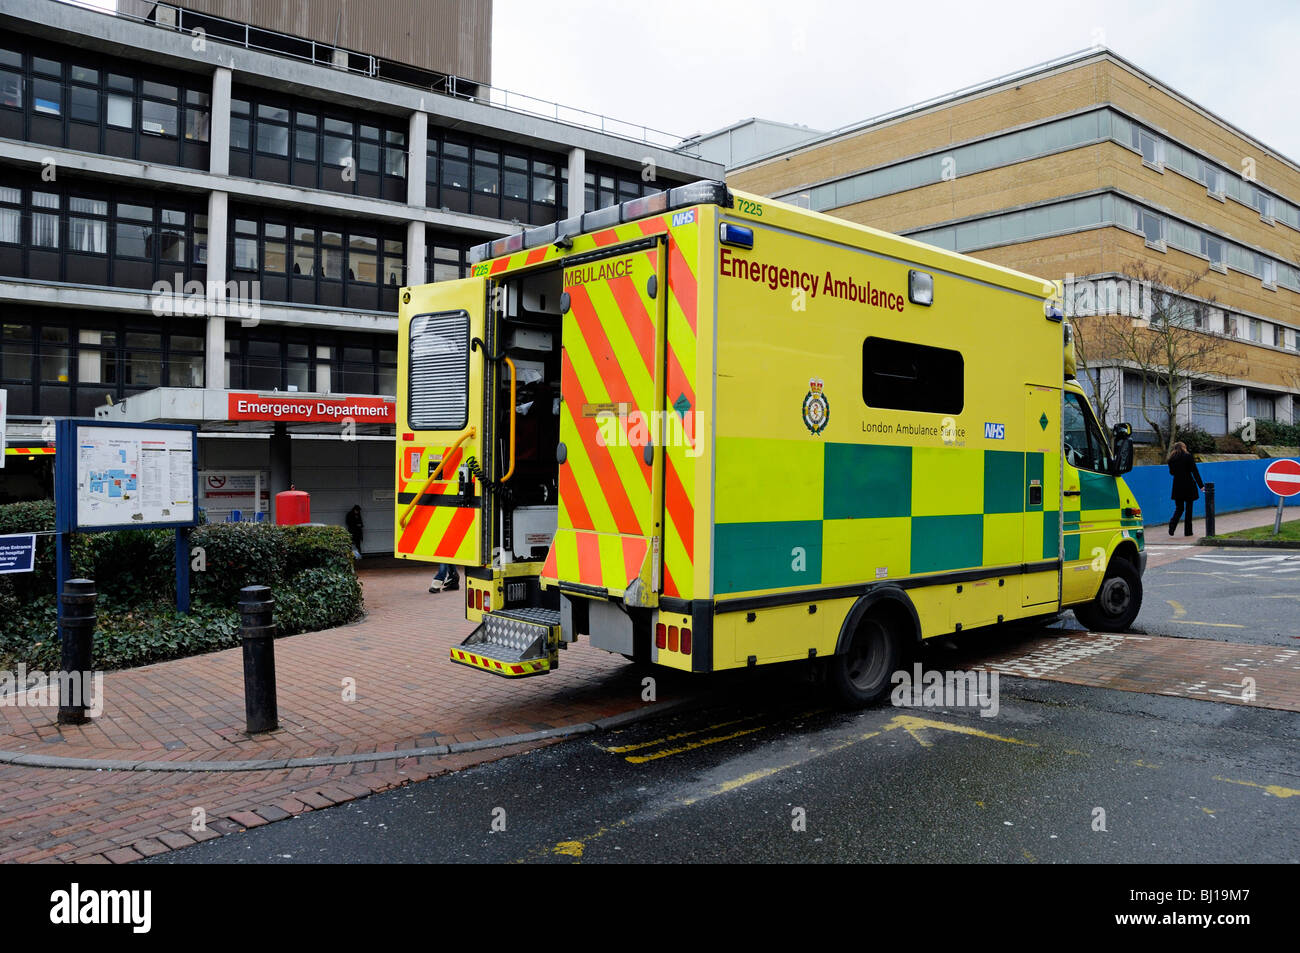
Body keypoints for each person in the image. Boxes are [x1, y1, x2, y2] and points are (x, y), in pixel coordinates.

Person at [1167, 441, 1204, 536]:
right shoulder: (1188, 457)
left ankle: (1172, 525)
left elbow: (1172, 473)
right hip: (1188, 485)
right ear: (1184, 447)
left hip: (1177, 486)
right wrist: (1201, 485)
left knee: (1179, 508)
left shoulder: (1171, 459)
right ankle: (1188, 531)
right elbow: (1194, 471)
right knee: (1189, 509)